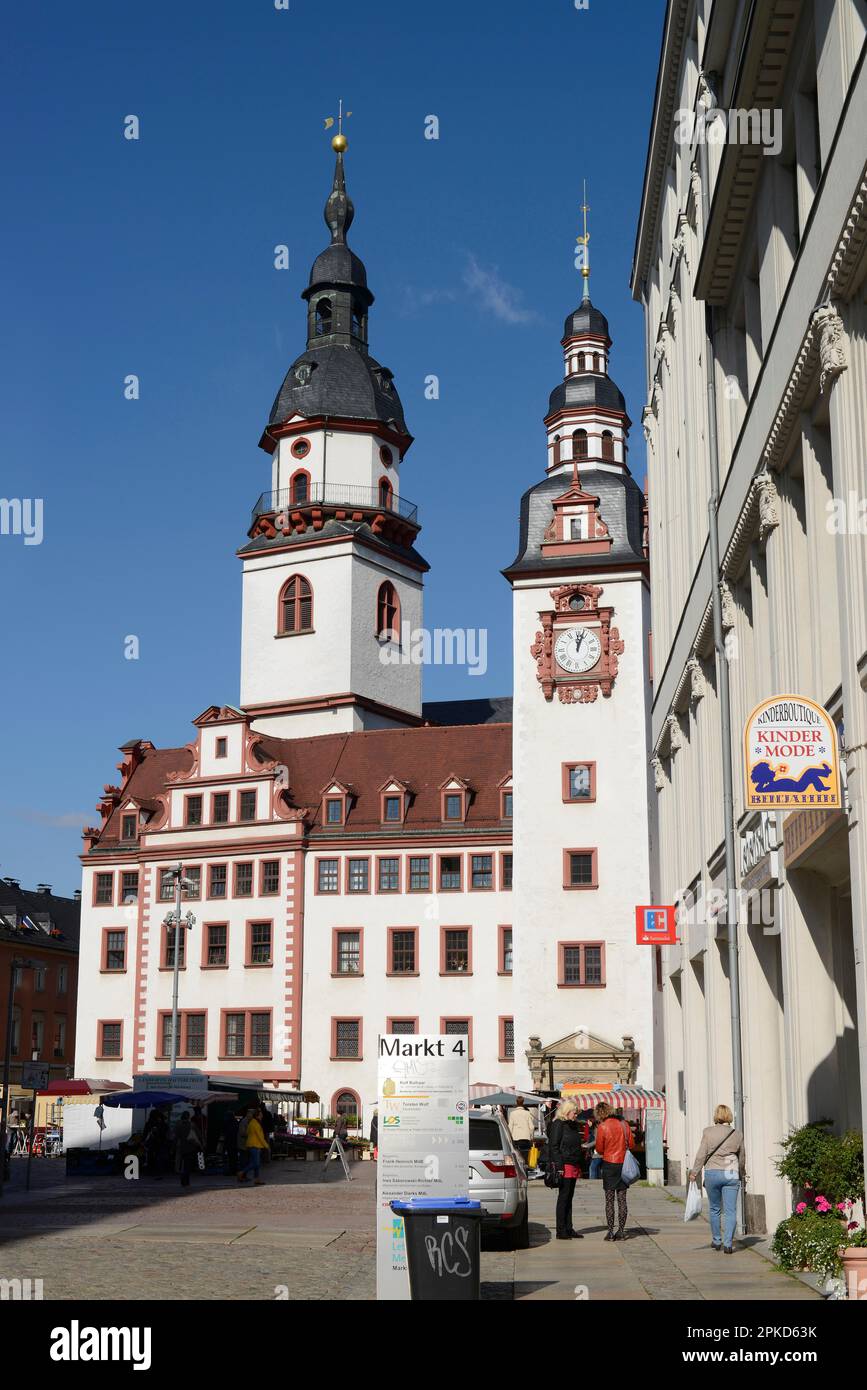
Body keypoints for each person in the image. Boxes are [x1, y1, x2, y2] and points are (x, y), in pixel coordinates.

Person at [688, 1104, 745, 1253]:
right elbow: (742, 1156)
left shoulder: (708, 1132)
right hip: (731, 1173)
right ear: (729, 1116)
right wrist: (742, 1172)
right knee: (731, 1210)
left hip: (713, 1171)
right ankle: (728, 1244)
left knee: (714, 1209)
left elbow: (701, 1154)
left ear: (716, 1115)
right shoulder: (737, 1134)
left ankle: (716, 1240)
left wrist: (694, 1172)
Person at [594, 1101, 636, 1240]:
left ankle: (610, 1232)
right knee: (622, 1199)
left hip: (609, 1164)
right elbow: (631, 1144)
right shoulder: (624, 1124)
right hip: (624, 1163)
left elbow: (599, 1149)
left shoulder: (602, 1126)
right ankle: (622, 1231)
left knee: (609, 1199)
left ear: (599, 1114)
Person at [547, 1100, 585, 1240]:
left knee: (569, 1198)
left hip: (573, 1163)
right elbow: (554, 1146)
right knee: (563, 1197)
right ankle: (561, 1230)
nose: (576, 1115)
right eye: (574, 1112)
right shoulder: (558, 1124)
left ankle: (569, 1228)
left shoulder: (572, 1125)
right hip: (564, 1165)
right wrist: (559, 1167)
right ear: (567, 1111)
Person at [237, 1107, 269, 1185]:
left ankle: (257, 1179)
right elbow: (260, 1136)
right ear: (257, 1116)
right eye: (261, 1115)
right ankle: (241, 1172)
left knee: (255, 1163)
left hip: (252, 1145)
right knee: (256, 1163)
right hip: (255, 1145)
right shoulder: (255, 1124)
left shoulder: (252, 1122)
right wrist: (266, 1146)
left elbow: (248, 1132)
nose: (262, 1116)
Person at [174, 1111, 203, 1188]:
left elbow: (176, 1137)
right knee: (188, 1166)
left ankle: (184, 1181)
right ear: (188, 1117)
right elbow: (199, 1135)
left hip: (182, 1148)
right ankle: (186, 1182)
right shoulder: (192, 1125)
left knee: (184, 1165)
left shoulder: (178, 1125)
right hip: (191, 1148)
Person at [508, 1096, 536, 1168]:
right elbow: (532, 1127)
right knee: (525, 1158)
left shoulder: (512, 1113)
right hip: (525, 1138)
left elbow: (510, 1127)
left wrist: (509, 1139)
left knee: (517, 1157)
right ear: (523, 1102)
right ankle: (525, 1171)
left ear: (516, 1103)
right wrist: (531, 1137)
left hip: (515, 1138)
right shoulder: (527, 1113)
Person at [222, 1109, 240, 1176]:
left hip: (229, 1143)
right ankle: (234, 1170)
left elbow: (225, 1132)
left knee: (230, 1157)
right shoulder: (235, 1122)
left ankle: (232, 1170)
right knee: (234, 1157)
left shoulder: (227, 1123)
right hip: (235, 1143)